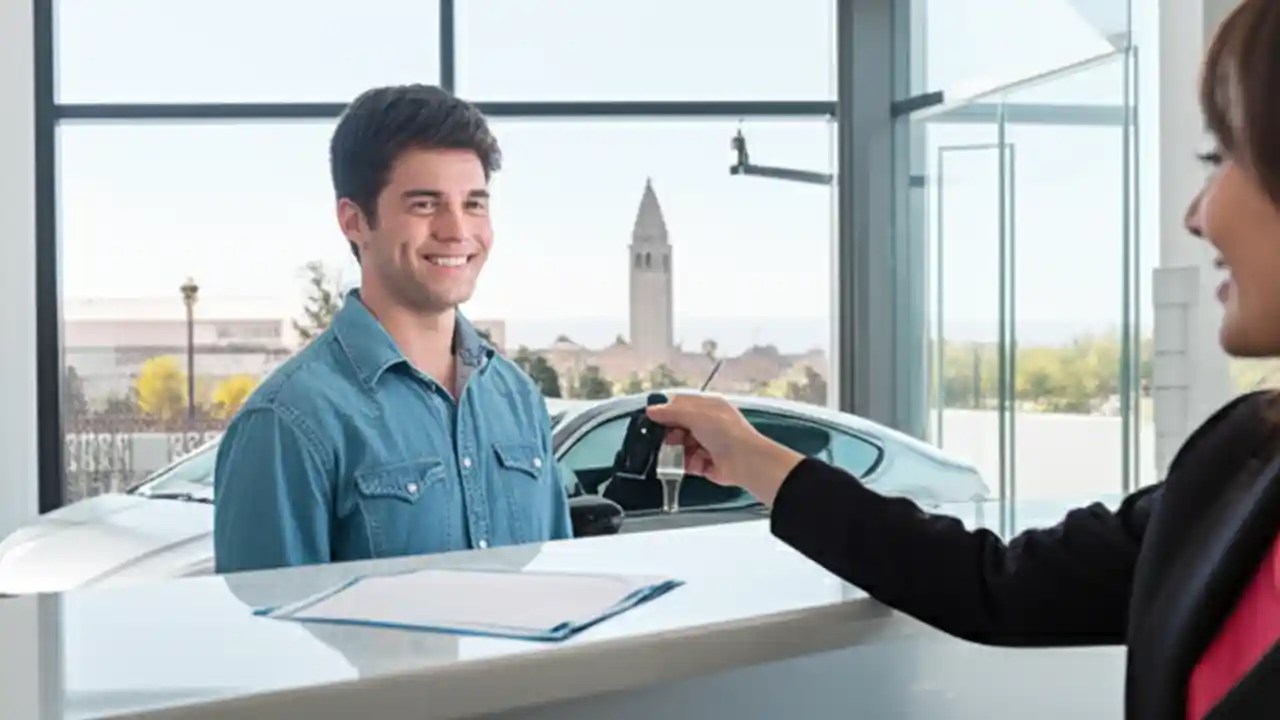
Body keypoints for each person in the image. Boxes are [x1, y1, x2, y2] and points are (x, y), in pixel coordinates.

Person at [646, 2, 1280, 718]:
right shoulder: (1237, 461)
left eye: (1221, 157)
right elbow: (995, 585)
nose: (1196, 213)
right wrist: (755, 457)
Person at [214, 85, 571, 574]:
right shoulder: (289, 421)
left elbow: (559, 595)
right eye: (425, 205)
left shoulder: (517, 399)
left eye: (473, 204)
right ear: (354, 221)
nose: (456, 231)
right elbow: (268, 642)